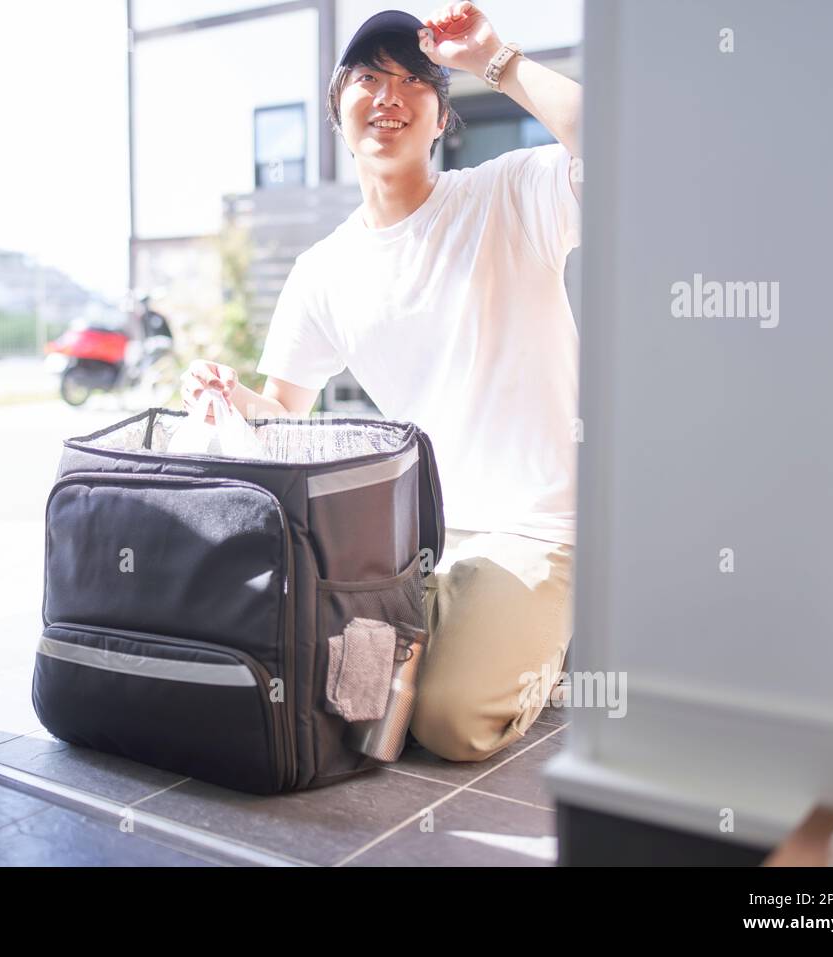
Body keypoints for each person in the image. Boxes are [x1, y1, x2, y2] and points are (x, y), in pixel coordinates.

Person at [180, 3, 582, 761]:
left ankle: (557, 645)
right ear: (339, 108)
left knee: (447, 722)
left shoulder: (508, 196)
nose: (389, 96)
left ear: (441, 119)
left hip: (538, 528)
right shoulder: (323, 270)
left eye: (413, 82)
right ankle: (475, 637)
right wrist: (231, 397)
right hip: (414, 540)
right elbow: (285, 417)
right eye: (369, 77)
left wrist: (496, 58)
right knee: (349, 703)